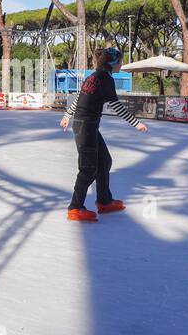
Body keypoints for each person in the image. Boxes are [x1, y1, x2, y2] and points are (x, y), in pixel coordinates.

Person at [60, 47, 147, 222]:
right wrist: (136, 123)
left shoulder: (93, 76)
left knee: (104, 161)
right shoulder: (105, 79)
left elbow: (78, 97)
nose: (121, 65)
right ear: (113, 63)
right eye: (120, 62)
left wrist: (67, 116)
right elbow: (116, 106)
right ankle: (75, 207)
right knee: (88, 169)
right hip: (86, 127)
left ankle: (104, 201)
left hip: (86, 125)